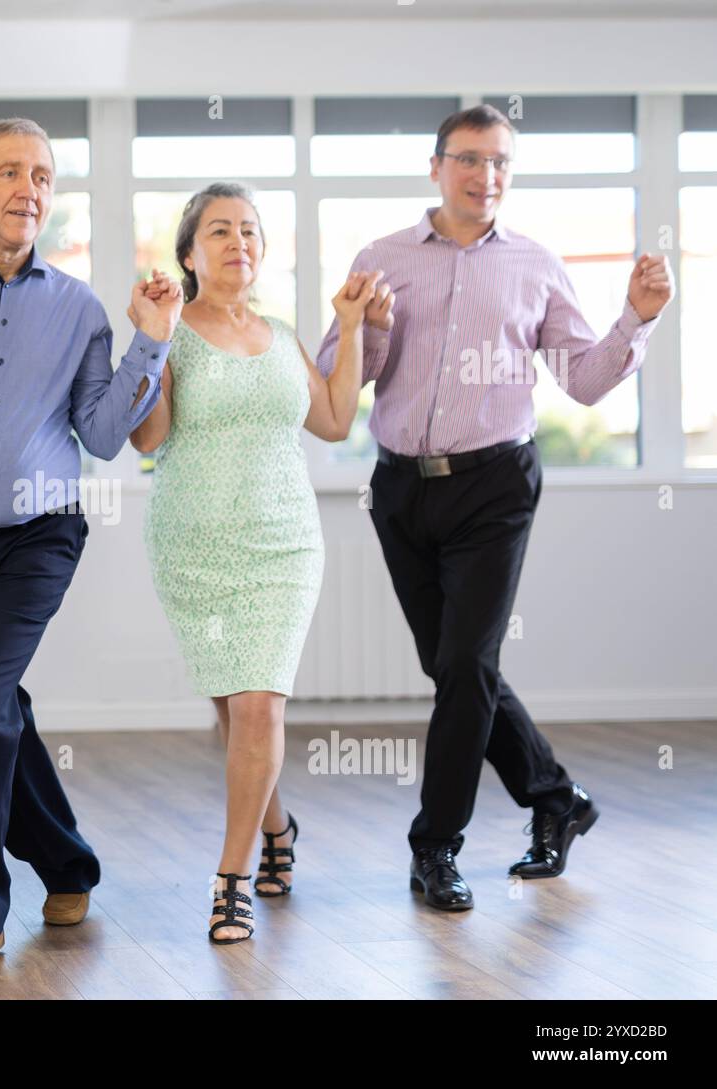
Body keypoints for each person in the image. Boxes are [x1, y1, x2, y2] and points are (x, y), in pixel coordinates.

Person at [315, 104, 674, 911]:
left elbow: (581, 379)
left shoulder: (537, 266)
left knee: (467, 665)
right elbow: (344, 376)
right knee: (452, 667)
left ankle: (435, 846)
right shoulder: (383, 257)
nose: (488, 176)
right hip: (402, 486)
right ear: (437, 167)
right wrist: (366, 328)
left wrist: (637, 320)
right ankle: (554, 795)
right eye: (472, 160)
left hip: (495, 487)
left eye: (502, 163)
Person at [0, 117, 181, 976]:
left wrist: (152, 342)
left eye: (44, 177)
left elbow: (101, 433)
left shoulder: (80, 306)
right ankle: (68, 862)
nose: (30, 190)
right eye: (11, 172)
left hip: (38, 540)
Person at [130, 182, 383, 944]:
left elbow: (335, 420)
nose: (238, 241)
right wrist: (152, 335)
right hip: (192, 544)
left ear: (262, 251)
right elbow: (148, 439)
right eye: (219, 230)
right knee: (230, 705)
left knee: (259, 708)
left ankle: (231, 880)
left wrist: (349, 326)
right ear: (189, 254)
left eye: (249, 230)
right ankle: (277, 827)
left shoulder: (281, 334)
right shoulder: (170, 331)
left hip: (283, 545)